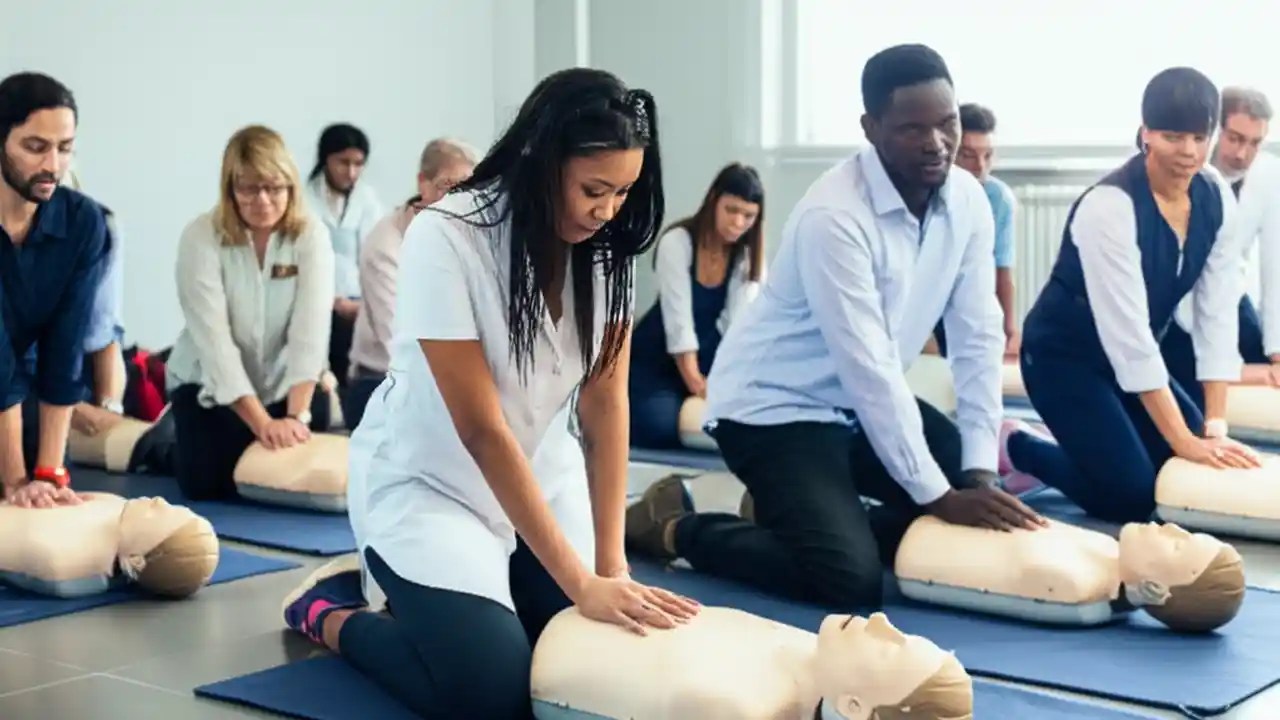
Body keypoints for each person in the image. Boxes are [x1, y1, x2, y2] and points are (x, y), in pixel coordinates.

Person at [279, 68, 699, 719]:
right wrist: (579, 580)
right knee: (490, 690)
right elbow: (481, 429)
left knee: (587, 654)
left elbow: (604, 405)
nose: (608, 210)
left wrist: (608, 566)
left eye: (622, 192)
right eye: (594, 189)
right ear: (541, 160)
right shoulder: (447, 236)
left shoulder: (605, 247)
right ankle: (331, 613)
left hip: (542, 480)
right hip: (432, 486)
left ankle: (479, 595)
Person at [626, 45, 1044, 611]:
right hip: (774, 410)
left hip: (859, 406)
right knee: (849, 580)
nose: (937, 143)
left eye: (947, 124)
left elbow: (976, 336)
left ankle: (794, 512)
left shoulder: (968, 201)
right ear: (871, 129)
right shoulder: (836, 216)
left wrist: (974, 470)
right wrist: (939, 497)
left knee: (966, 492)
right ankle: (674, 525)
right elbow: (869, 371)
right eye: (912, 128)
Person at [999, 68, 1262, 525]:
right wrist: (1184, 440)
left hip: (1130, 361)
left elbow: (1217, 315)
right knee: (1133, 495)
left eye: (1199, 137)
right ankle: (1019, 446)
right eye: (1171, 135)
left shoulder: (1215, 195)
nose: (1188, 152)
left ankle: (1086, 442)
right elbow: (1131, 340)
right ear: (1146, 133)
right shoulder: (1110, 207)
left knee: (1179, 466)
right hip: (1064, 358)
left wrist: (1212, 429)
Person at [167, 125, 335, 501]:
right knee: (208, 486)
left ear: (290, 187)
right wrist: (262, 425)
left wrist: (294, 418)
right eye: (249, 189)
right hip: (211, 386)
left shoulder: (311, 235)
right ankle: (156, 442)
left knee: (290, 473)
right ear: (230, 189)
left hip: (286, 385)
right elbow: (214, 343)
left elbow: (311, 332)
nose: (263, 200)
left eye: (274, 187)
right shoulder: (201, 236)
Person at [0, 72, 110, 509]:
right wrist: (12, 482)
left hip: (19, 390)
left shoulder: (83, 222)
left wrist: (48, 472)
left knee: (44, 489)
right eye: (35, 147)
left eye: (64, 148)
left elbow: (65, 348)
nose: (53, 166)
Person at [628, 163, 765, 448]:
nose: (738, 223)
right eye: (732, 210)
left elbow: (737, 329)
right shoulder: (677, 242)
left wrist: (723, 386)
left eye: (748, 216)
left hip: (710, 360)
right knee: (657, 426)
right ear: (714, 200)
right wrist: (698, 386)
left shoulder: (748, 259)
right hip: (659, 361)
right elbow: (679, 325)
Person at [344, 137, 478, 429]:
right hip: (383, 380)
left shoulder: (471, 236)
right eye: (447, 186)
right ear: (423, 183)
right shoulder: (385, 244)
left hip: (446, 377)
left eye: (468, 188)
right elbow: (397, 342)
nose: (458, 198)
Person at [1162, 87, 1280, 404]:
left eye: (1254, 143)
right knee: (1185, 390)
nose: (1242, 153)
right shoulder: (1186, 167)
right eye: (1235, 138)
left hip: (1231, 294)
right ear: (1215, 130)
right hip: (1176, 305)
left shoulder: (1269, 175)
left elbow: (1275, 265)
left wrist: (1277, 351)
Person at [306, 123, 384, 388]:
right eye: (343, 162)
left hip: (359, 304)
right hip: (315, 301)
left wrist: (361, 303)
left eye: (358, 164)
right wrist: (333, 301)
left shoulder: (368, 200)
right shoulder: (304, 200)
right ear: (325, 158)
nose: (351, 172)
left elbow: (375, 258)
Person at [949, 102, 1019, 357]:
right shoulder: (926, 192)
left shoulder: (998, 198)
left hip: (974, 302)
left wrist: (1009, 329)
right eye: (968, 155)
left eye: (987, 155)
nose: (980, 165)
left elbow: (1003, 267)